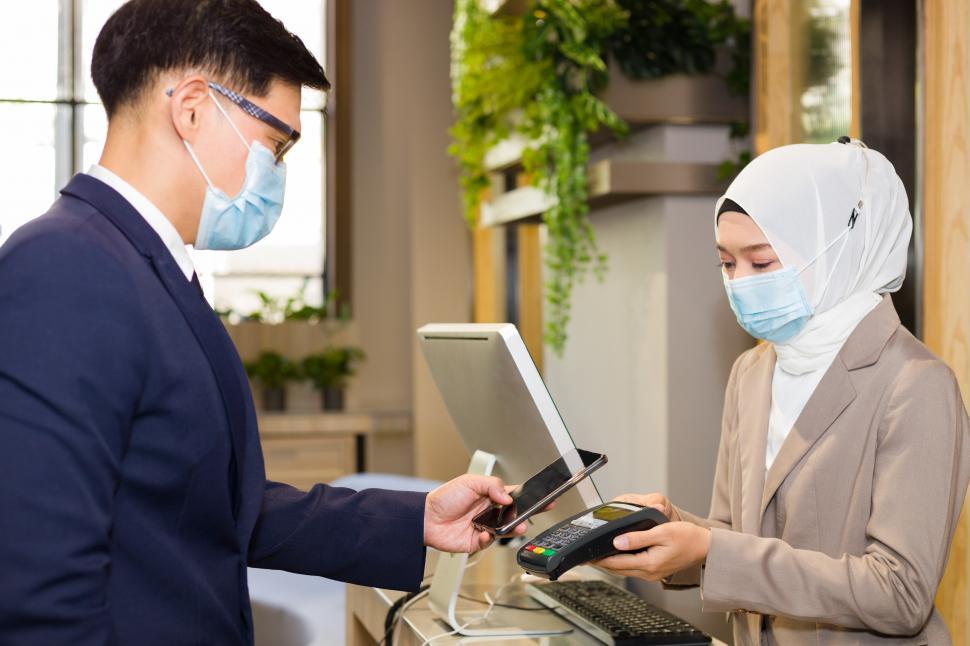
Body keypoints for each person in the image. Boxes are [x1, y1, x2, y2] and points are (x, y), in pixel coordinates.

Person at [0, 1, 524, 644]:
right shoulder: (65, 268)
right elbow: (41, 593)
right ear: (192, 107)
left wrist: (415, 518)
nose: (277, 171)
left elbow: (211, 508)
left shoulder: (143, 265)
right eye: (276, 142)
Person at [597, 140, 970, 644]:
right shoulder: (752, 372)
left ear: (840, 251)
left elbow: (900, 592)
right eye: (727, 264)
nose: (740, 284)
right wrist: (669, 529)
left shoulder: (916, 384)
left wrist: (709, 549)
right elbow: (739, 535)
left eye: (763, 262)